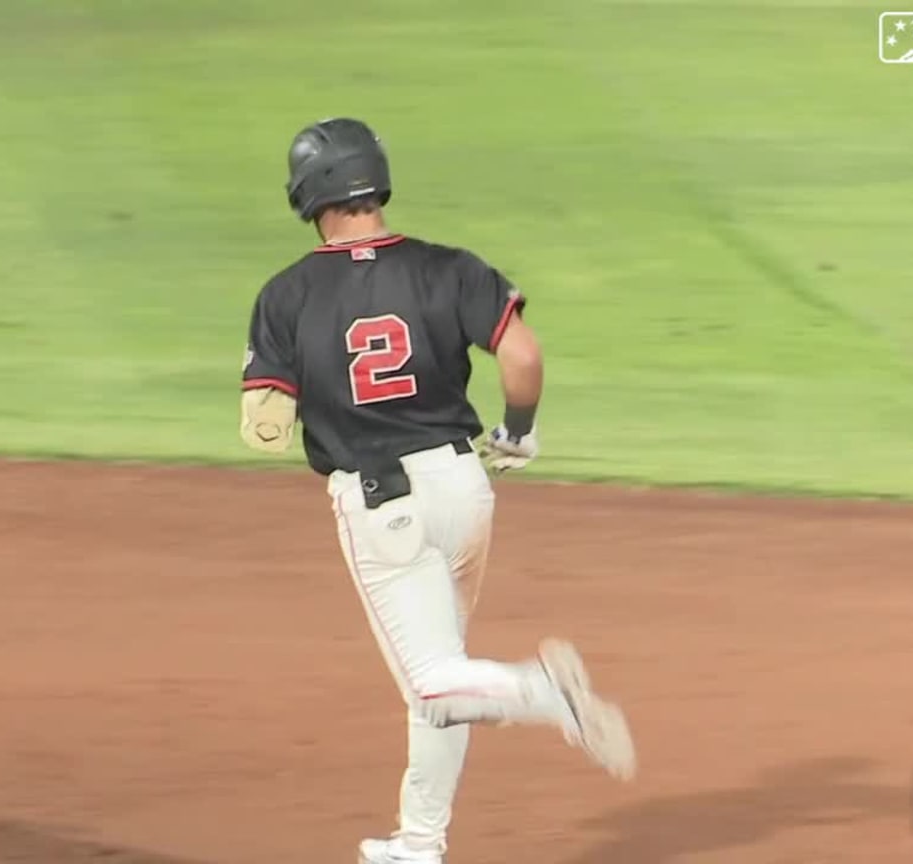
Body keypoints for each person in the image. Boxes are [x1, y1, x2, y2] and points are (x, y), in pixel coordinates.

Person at [238, 117, 636, 864]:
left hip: (384, 509)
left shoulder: (286, 294)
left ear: (306, 192)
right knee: (445, 670)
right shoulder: (448, 268)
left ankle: (548, 692)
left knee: (430, 686)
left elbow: (264, 425)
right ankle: (420, 845)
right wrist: (517, 431)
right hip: (463, 489)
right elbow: (521, 353)